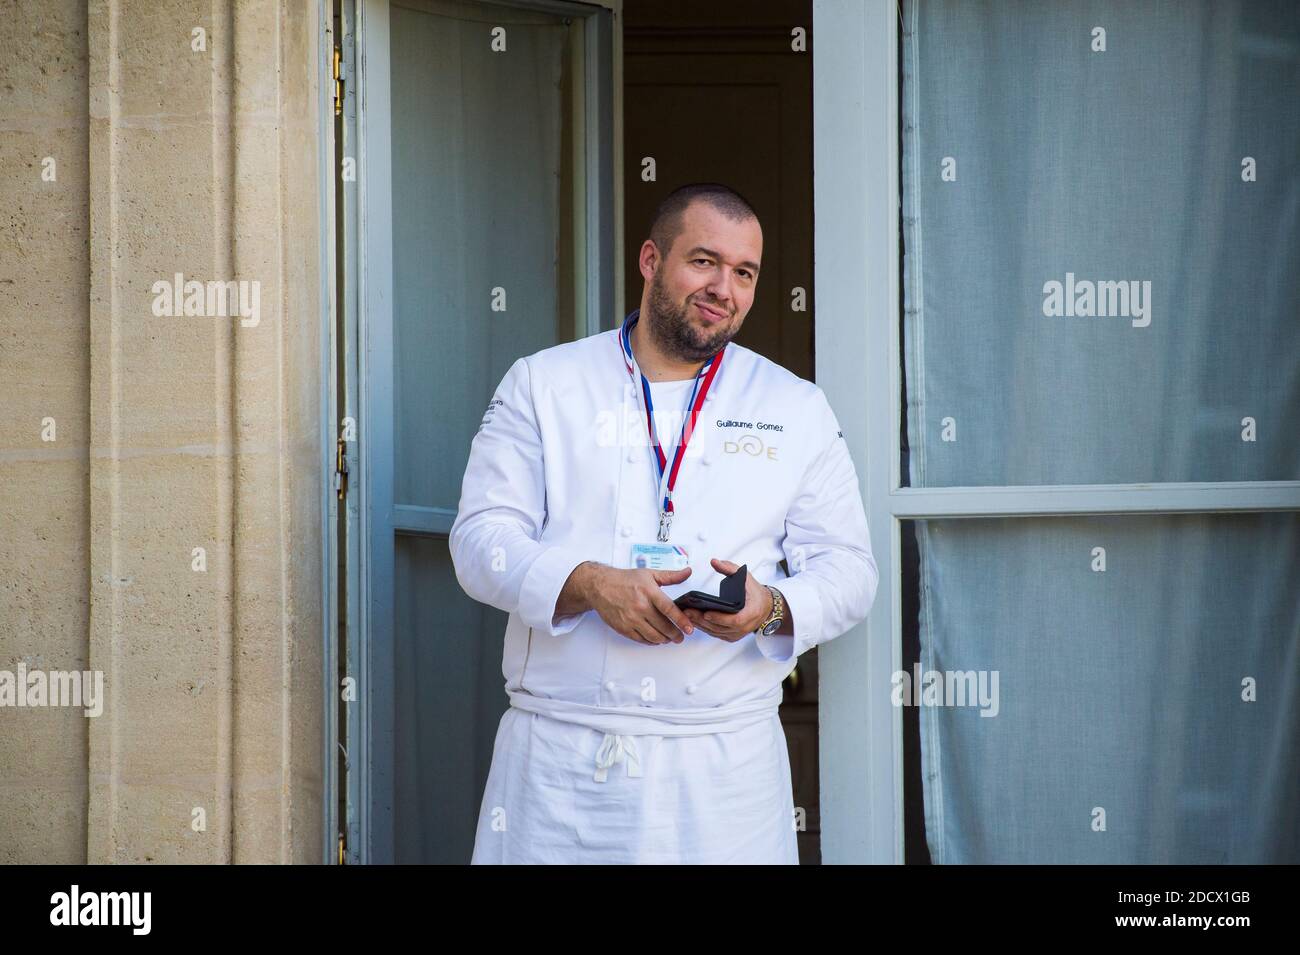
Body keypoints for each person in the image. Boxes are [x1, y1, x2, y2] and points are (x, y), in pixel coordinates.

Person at [449, 182, 878, 864]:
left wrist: (771, 606)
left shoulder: (795, 407)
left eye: (744, 273)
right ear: (650, 260)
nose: (724, 288)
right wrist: (589, 583)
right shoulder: (545, 383)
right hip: (560, 773)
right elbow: (479, 542)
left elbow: (851, 571)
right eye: (704, 261)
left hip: (725, 778)